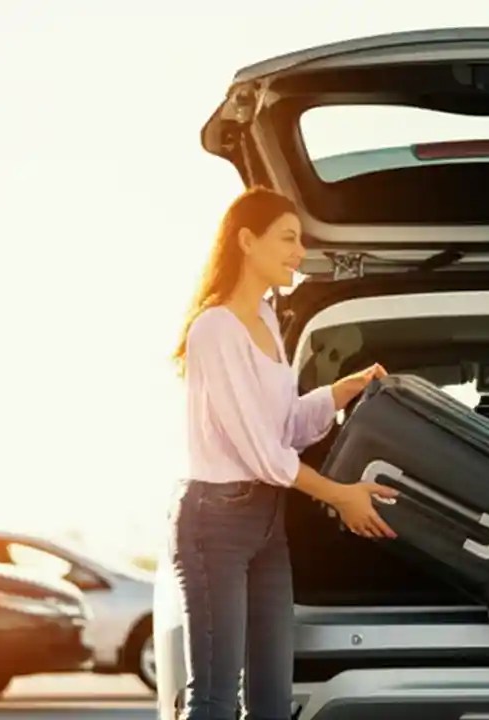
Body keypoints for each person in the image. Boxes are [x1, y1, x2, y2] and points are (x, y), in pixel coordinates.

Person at [169, 186, 399, 720]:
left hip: (266, 520)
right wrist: (340, 495)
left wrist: (342, 389)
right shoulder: (215, 329)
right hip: (216, 525)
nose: (300, 252)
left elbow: (286, 426)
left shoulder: (269, 323)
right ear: (246, 241)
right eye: (288, 239)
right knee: (215, 698)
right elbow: (260, 451)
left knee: (272, 701)